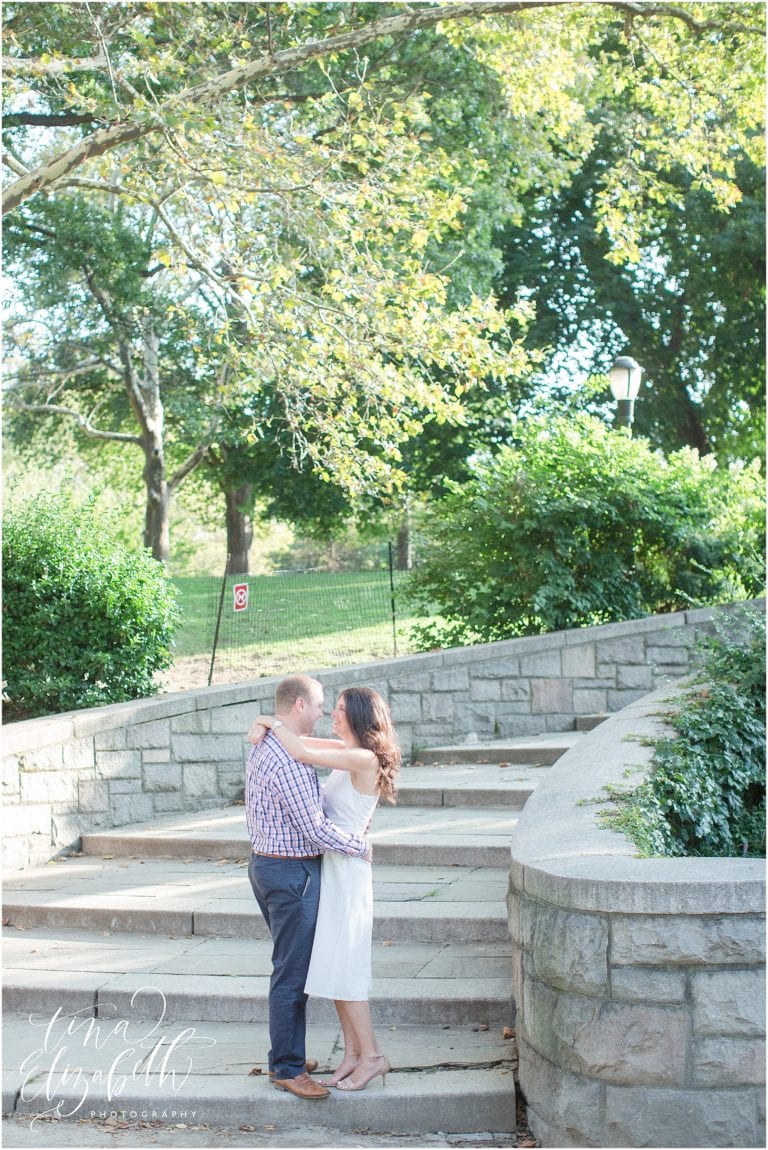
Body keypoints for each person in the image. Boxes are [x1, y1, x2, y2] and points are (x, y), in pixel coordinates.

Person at [249, 684, 401, 1092]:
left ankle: (373, 1056)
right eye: (328, 706)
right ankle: (353, 1053)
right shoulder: (344, 749)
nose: (331, 713)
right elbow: (298, 741)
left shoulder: (362, 757)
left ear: (359, 716)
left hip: (347, 867)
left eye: (340, 709)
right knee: (333, 965)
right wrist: (267, 722)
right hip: (330, 865)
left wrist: (270, 724)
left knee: (346, 966)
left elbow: (299, 751)